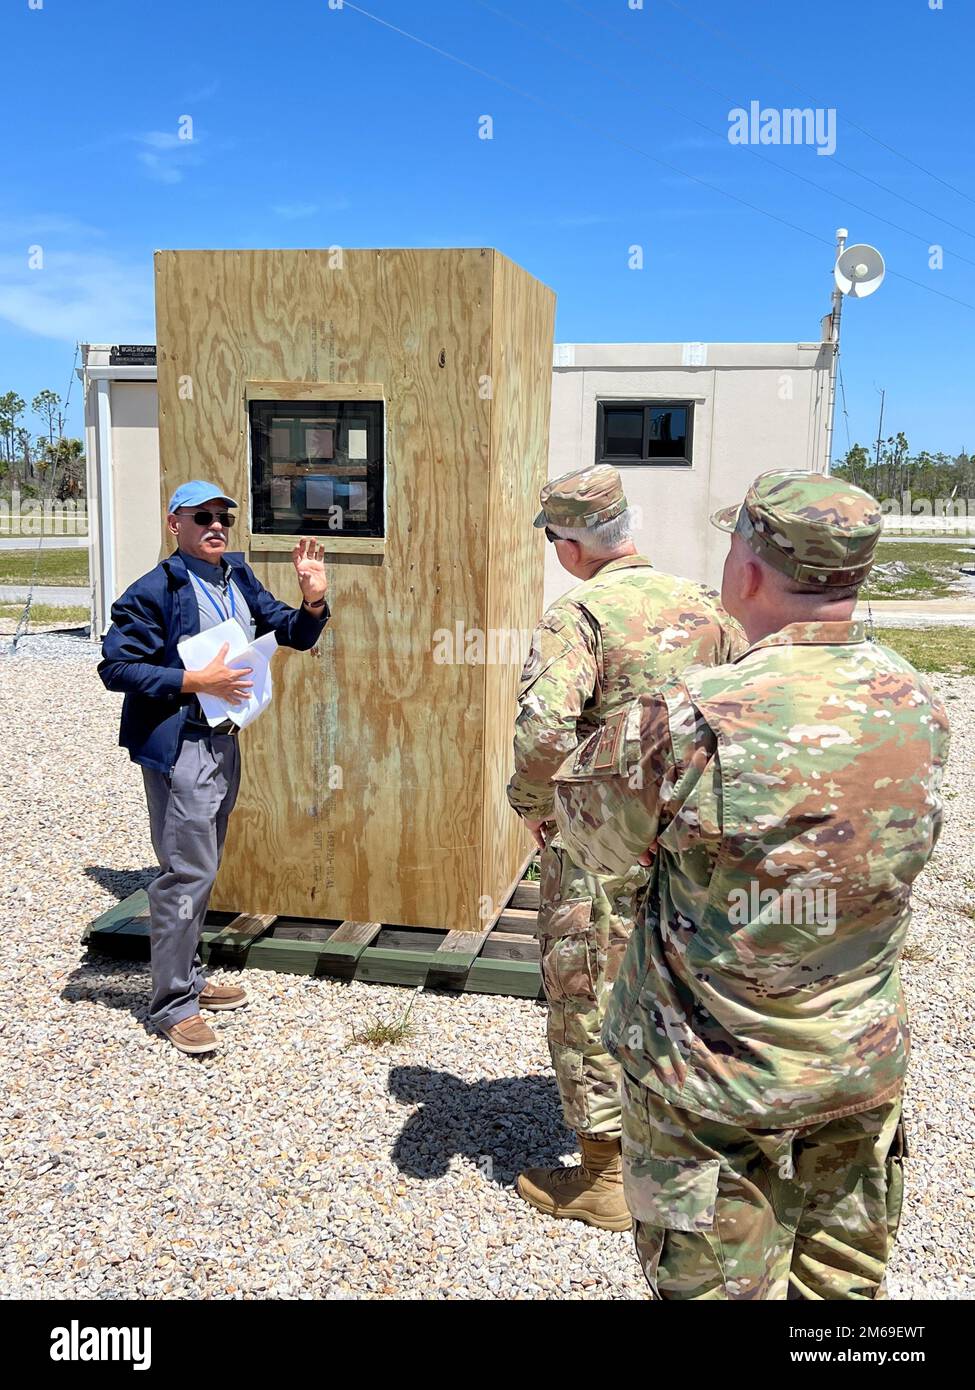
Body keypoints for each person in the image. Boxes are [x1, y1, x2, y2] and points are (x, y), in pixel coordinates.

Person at [552, 469, 950, 1298]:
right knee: (840, 1294)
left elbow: (589, 841)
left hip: (711, 1089)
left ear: (752, 569)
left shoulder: (691, 717)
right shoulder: (916, 700)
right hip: (856, 1068)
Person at [506, 464, 745, 1230]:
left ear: (570, 543)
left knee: (587, 989)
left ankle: (606, 1178)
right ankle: (690, 1152)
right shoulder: (706, 605)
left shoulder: (577, 615)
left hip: (600, 845)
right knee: (686, 984)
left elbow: (543, 733)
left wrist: (535, 808)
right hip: (695, 840)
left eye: (552, 538)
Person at [98, 481, 330, 1056]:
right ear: (174, 523)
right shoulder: (154, 590)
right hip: (184, 746)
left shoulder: (237, 577)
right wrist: (191, 681)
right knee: (186, 872)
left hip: (225, 740)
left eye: (224, 516)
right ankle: (172, 1005)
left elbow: (294, 634)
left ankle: (188, 980)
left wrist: (314, 600)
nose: (216, 526)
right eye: (202, 517)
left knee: (201, 866)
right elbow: (115, 667)